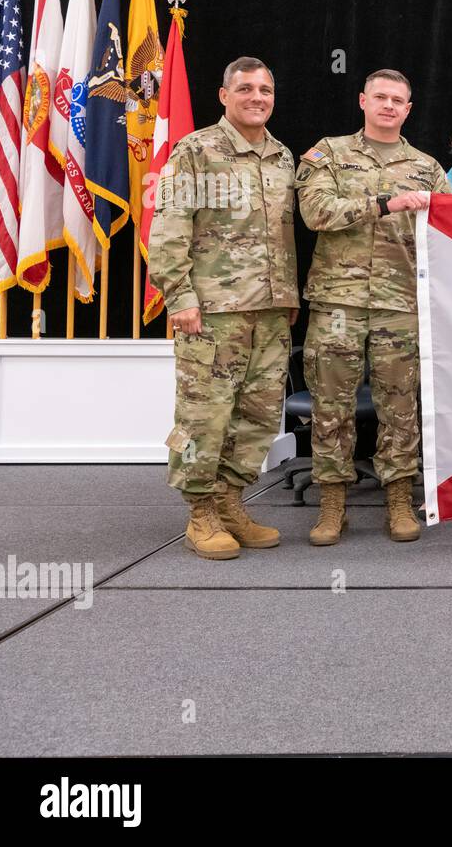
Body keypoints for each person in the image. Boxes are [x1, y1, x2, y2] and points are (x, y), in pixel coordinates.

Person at [148, 56, 298, 560]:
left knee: (257, 415)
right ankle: (200, 511)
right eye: (247, 88)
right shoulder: (196, 151)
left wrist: (288, 298)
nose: (258, 97)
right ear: (224, 95)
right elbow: (168, 228)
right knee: (203, 415)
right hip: (212, 312)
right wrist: (180, 298)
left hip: (272, 313)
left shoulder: (282, 156)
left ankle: (231, 500)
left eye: (266, 89)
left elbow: (283, 235)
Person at [295, 69, 448, 545]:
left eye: (397, 100)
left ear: (408, 109)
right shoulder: (329, 153)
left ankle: (399, 500)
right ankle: (333, 505)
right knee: (331, 406)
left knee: (400, 405)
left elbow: (445, 237)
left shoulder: (426, 167)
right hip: (337, 301)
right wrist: (387, 203)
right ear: (363, 101)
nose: (388, 105)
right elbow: (316, 212)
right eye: (379, 97)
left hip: (399, 302)